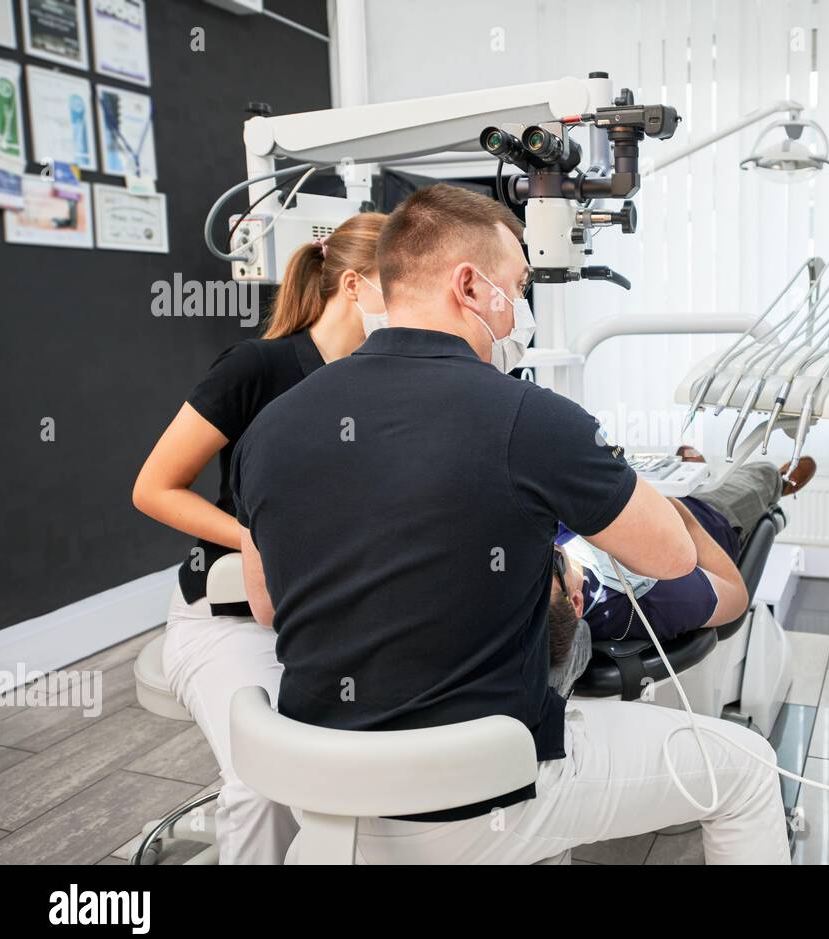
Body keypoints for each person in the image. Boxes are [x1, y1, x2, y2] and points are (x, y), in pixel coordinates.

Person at [231, 184, 790, 864]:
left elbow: (266, 605)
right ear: (470, 285)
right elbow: (672, 557)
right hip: (473, 799)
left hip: (320, 786)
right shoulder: (528, 417)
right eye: (519, 284)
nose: (522, 307)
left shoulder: (270, 425)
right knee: (749, 769)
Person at [131, 212, 387, 864]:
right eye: (403, 285)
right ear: (354, 284)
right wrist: (252, 536)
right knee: (266, 779)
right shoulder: (257, 367)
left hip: (333, 615)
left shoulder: (385, 384)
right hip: (230, 618)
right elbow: (155, 487)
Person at [550, 454, 816, 659]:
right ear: (576, 603)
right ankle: (780, 484)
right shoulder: (655, 595)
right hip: (709, 518)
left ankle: (696, 468)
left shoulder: (545, 565)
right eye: (554, 564)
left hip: (658, 506)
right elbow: (737, 597)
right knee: (759, 474)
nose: (545, 554)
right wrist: (676, 509)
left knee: (683, 470)